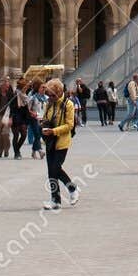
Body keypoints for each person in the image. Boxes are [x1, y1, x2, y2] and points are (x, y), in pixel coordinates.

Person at [40, 78, 80, 210]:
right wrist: (43, 125)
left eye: (52, 95)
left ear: (59, 92)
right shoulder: (49, 103)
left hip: (62, 141)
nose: (49, 97)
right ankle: (55, 200)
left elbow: (69, 125)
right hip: (50, 141)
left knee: (55, 168)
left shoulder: (68, 104)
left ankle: (72, 189)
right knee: (51, 171)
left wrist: (54, 131)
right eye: (48, 95)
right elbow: (45, 118)